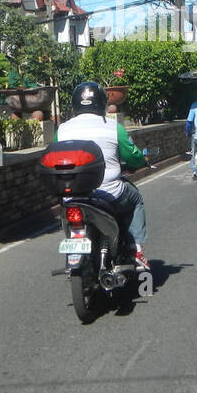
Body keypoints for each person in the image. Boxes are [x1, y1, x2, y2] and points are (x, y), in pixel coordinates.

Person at [56, 81, 151, 271]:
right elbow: (133, 156)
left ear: (75, 104)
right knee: (136, 198)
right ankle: (136, 250)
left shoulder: (63, 129)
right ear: (101, 103)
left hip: (72, 195)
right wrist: (142, 162)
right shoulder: (113, 127)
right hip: (110, 194)